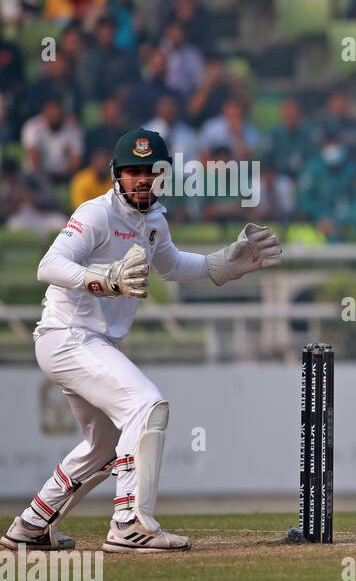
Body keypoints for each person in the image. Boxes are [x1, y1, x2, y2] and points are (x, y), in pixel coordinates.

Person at [1, 129, 282, 554]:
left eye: (151, 172)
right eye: (132, 171)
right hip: (67, 335)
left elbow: (171, 265)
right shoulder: (96, 214)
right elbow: (49, 265)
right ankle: (130, 523)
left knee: (104, 446)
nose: (141, 180)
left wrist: (224, 263)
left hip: (90, 344)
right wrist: (103, 279)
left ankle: (32, 524)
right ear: (117, 175)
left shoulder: (154, 221)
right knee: (147, 406)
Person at [22, 98, 83, 184]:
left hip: (64, 176)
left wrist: (61, 174)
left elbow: (76, 161)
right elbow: (33, 158)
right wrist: (45, 178)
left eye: (57, 113)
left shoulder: (73, 128)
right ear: (44, 112)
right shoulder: (32, 127)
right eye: (51, 114)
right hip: (37, 175)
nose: (54, 116)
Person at [81, 15, 139, 103]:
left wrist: (125, 90)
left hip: (119, 105)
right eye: (103, 30)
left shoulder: (124, 58)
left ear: (115, 32)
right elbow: (87, 87)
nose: (107, 33)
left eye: (110, 30)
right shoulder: (88, 57)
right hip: (94, 103)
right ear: (97, 32)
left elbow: (134, 82)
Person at [69, 145, 112, 210]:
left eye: (105, 159)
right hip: (87, 217)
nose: (102, 162)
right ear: (93, 161)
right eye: (99, 159)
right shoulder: (81, 180)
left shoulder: (115, 180)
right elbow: (80, 209)